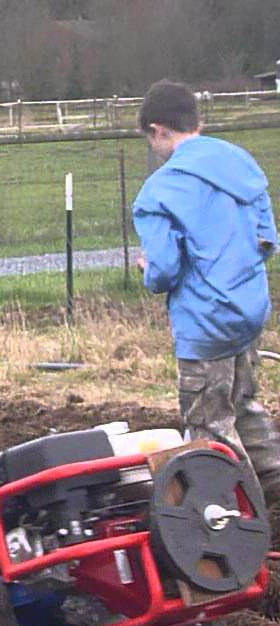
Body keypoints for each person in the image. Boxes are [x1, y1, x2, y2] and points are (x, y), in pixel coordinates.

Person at [132, 78, 280, 513]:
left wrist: (149, 270)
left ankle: (239, 518)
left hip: (204, 324)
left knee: (208, 425)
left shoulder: (160, 192)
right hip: (249, 312)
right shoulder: (242, 165)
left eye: (151, 139)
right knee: (243, 405)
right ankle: (274, 485)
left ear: (159, 131)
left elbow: (164, 270)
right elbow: (266, 239)